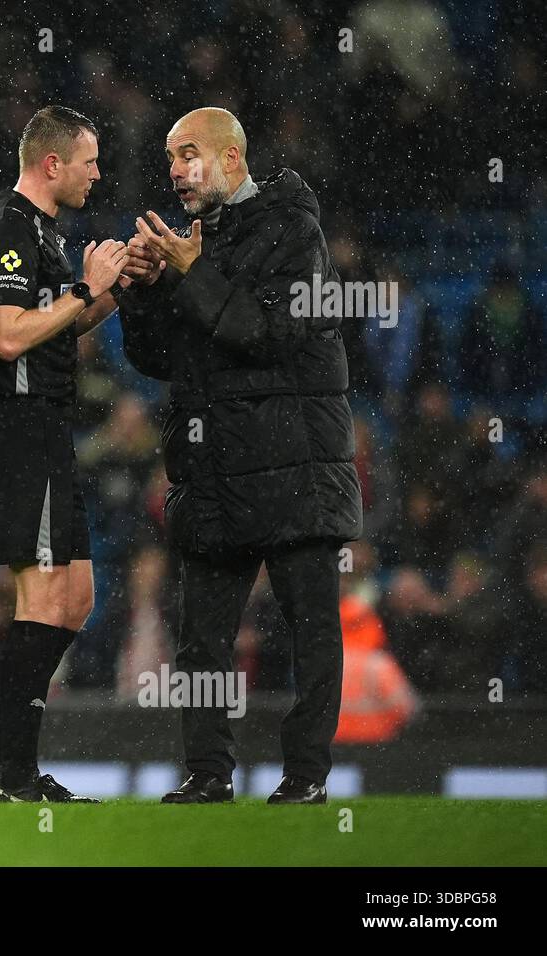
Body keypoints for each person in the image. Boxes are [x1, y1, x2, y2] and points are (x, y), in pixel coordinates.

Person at [117, 108, 363, 805]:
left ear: (231, 160)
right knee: (200, 644)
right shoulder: (198, 244)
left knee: (310, 636)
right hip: (216, 475)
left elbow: (268, 334)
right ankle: (207, 775)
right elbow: (161, 358)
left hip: (297, 470)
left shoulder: (294, 229)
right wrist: (143, 291)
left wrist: (191, 273)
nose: (174, 170)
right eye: (168, 158)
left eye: (187, 154)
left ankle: (307, 779)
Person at [0, 106, 129, 802]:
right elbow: (6, 335)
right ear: (51, 164)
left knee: (75, 596)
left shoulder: (46, 238)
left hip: (45, 425)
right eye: (88, 160)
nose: (96, 172)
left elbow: (58, 328)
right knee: (44, 594)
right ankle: (4, 767)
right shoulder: (9, 229)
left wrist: (113, 289)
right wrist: (85, 287)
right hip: (16, 426)